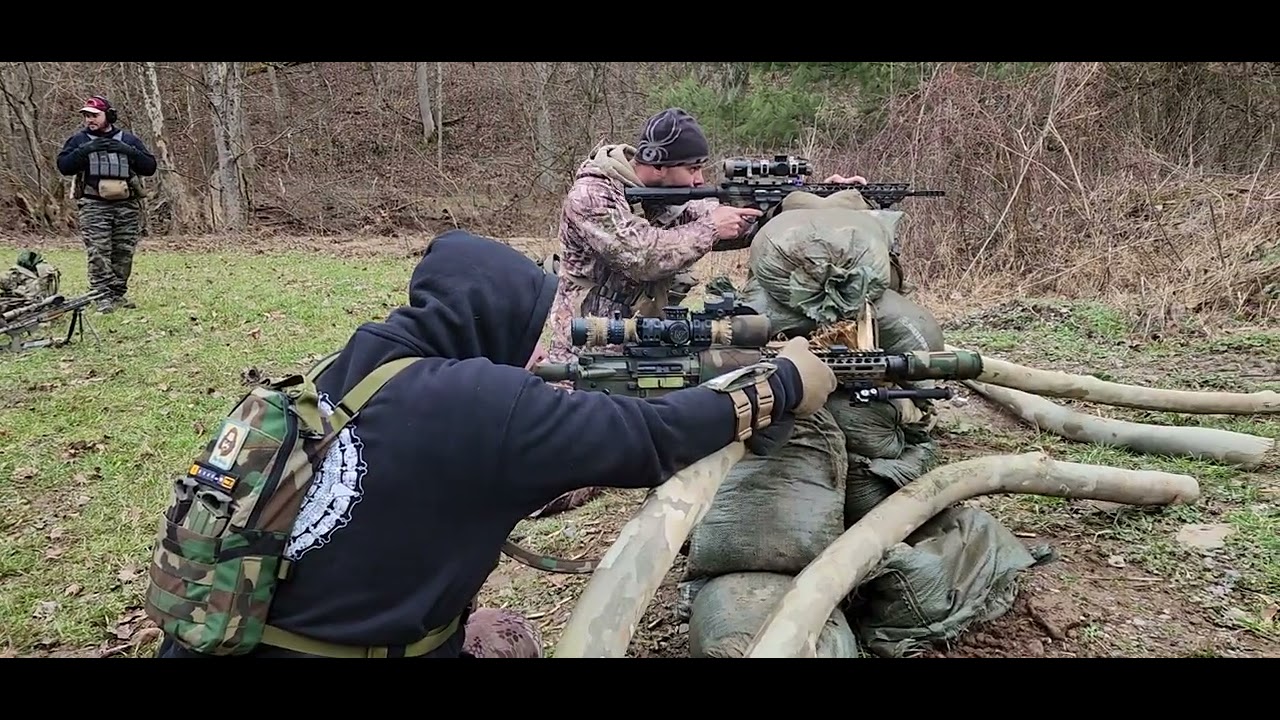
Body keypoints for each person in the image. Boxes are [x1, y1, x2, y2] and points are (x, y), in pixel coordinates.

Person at [152, 229, 837, 659]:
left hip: (226, 631)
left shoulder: (351, 364)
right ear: (502, 319)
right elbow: (651, 440)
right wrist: (777, 386)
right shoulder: (477, 403)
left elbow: (441, 478)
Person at [536, 106, 864, 517]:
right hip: (587, 338)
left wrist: (808, 200)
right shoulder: (593, 195)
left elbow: (723, 220)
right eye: (692, 169)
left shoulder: (663, 195)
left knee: (636, 440)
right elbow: (643, 254)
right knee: (562, 469)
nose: (699, 180)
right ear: (658, 164)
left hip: (639, 336)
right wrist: (711, 228)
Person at [55, 95, 156, 313]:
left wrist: (129, 152)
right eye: (86, 116)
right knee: (98, 252)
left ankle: (117, 294)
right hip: (94, 205)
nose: (89, 120)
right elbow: (64, 166)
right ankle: (101, 296)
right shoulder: (79, 140)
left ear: (108, 116)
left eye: (94, 115)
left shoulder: (128, 140)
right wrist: (86, 150)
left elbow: (149, 167)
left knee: (123, 252)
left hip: (126, 205)